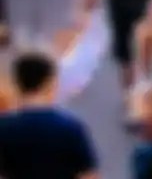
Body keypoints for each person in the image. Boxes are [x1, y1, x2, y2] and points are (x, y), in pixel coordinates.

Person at [0, 51, 99, 179]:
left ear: (17, 84)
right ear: (49, 83)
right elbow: (89, 175)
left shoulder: (4, 127)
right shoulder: (69, 127)